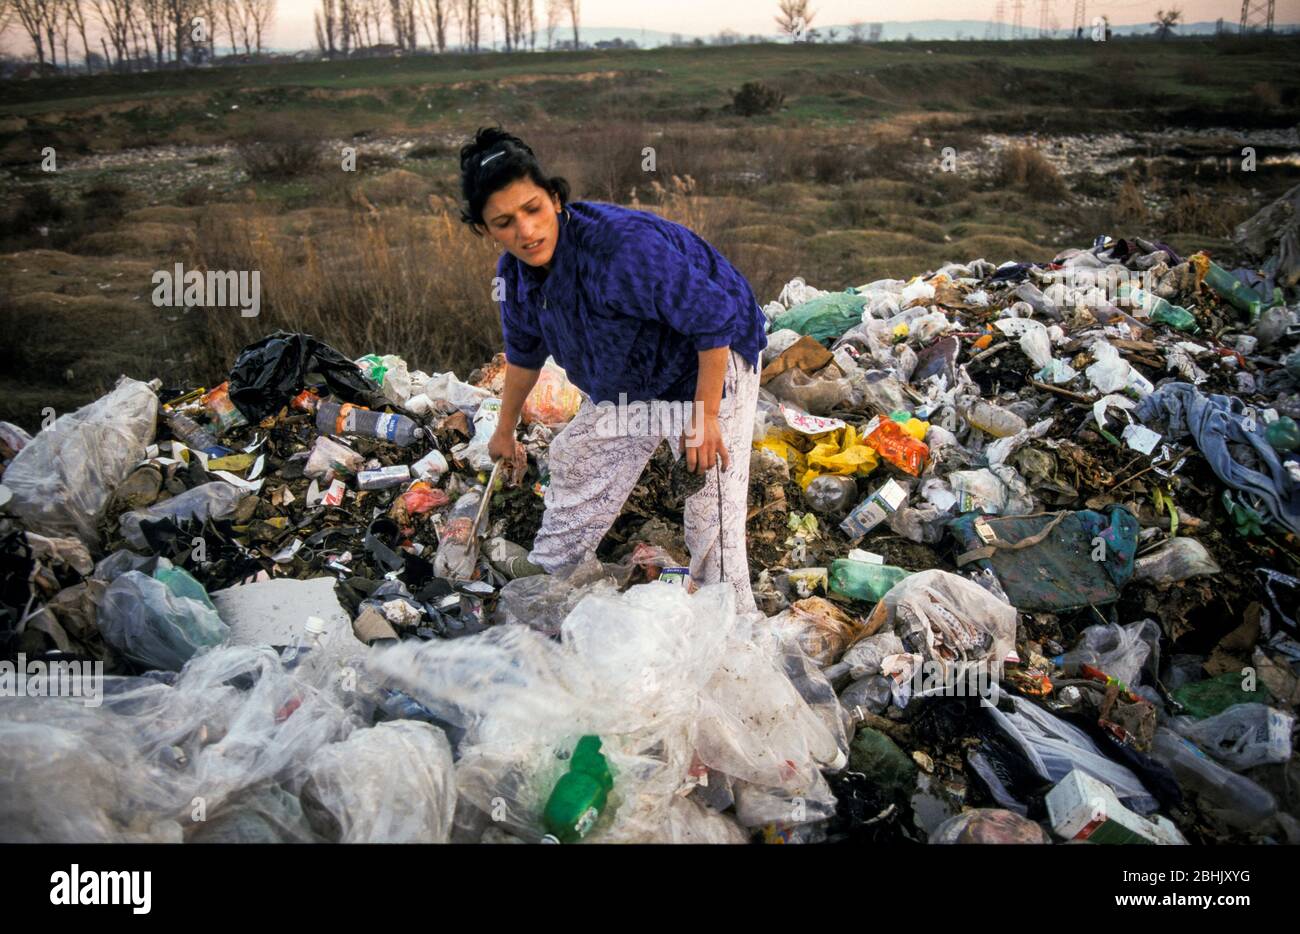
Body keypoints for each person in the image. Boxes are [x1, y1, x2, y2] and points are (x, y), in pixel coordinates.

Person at [458, 126, 768, 613]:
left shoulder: (622, 250)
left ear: (555, 198)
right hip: (629, 383)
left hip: (704, 366)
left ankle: (731, 626)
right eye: (503, 222)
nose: (525, 231)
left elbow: (713, 319)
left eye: (532, 209)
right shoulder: (515, 277)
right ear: (485, 228)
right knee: (578, 463)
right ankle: (546, 582)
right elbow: (523, 355)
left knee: (711, 511)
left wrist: (703, 418)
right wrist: (504, 429)